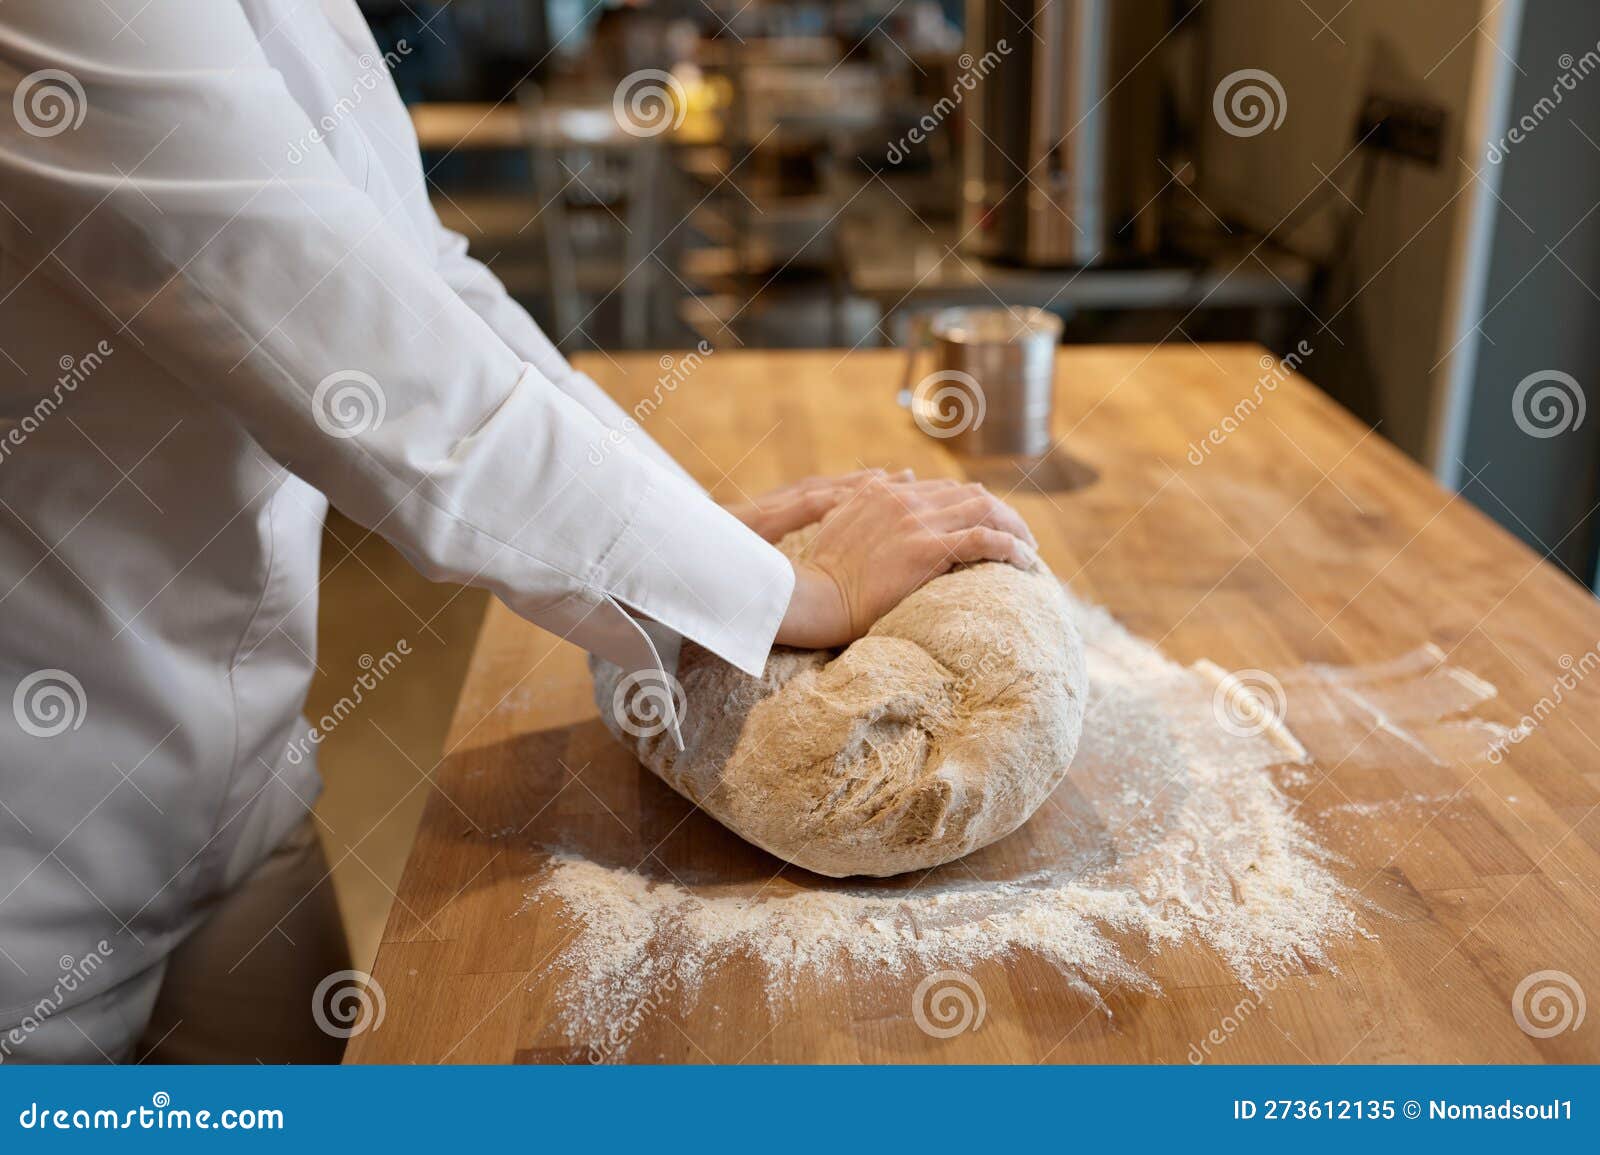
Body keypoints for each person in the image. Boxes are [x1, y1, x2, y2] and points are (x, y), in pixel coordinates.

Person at [0, 2, 1035, 1062]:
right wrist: (783, 596)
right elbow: (373, 360)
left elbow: (427, 283)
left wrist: (694, 535)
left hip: (243, 784)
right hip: (41, 871)